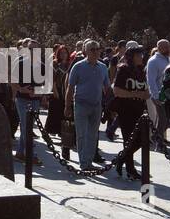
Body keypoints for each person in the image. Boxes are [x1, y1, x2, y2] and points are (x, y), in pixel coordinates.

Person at [64, 40, 110, 171]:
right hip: (81, 104)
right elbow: (70, 87)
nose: (96, 52)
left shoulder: (103, 67)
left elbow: (107, 87)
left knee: (93, 135)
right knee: (82, 134)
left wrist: (110, 105)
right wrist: (67, 106)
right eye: (92, 49)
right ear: (85, 52)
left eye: (97, 49)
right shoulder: (78, 66)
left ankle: (88, 161)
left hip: (97, 105)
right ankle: (84, 163)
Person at [110, 43, 149, 179]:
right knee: (129, 140)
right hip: (126, 110)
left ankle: (121, 159)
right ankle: (130, 169)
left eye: (142, 54)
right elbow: (117, 91)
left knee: (142, 140)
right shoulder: (123, 70)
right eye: (138, 55)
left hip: (139, 110)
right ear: (132, 56)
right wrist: (136, 94)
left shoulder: (141, 70)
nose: (141, 57)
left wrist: (146, 94)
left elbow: (145, 89)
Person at [13, 38, 44, 166]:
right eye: (30, 49)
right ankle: (32, 155)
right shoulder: (19, 63)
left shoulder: (42, 66)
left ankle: (20, 153)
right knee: (26, 127)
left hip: (35, 100)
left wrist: (38, 92)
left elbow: (45, 84)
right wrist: (22, 89)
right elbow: (12, 82)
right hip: (21, 99)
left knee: (27, 126)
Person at [146, 40, 170, 153]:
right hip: (159, 96)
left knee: (168, 120)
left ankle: (156, 137)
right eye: (166, 47)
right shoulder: (153, 61)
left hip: (169, 96)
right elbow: (151, 80)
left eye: (168, 47)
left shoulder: (169, 59)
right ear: (160, 48)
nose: (168, 49)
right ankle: (159, 143)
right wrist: (155, 96)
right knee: (162, 119)